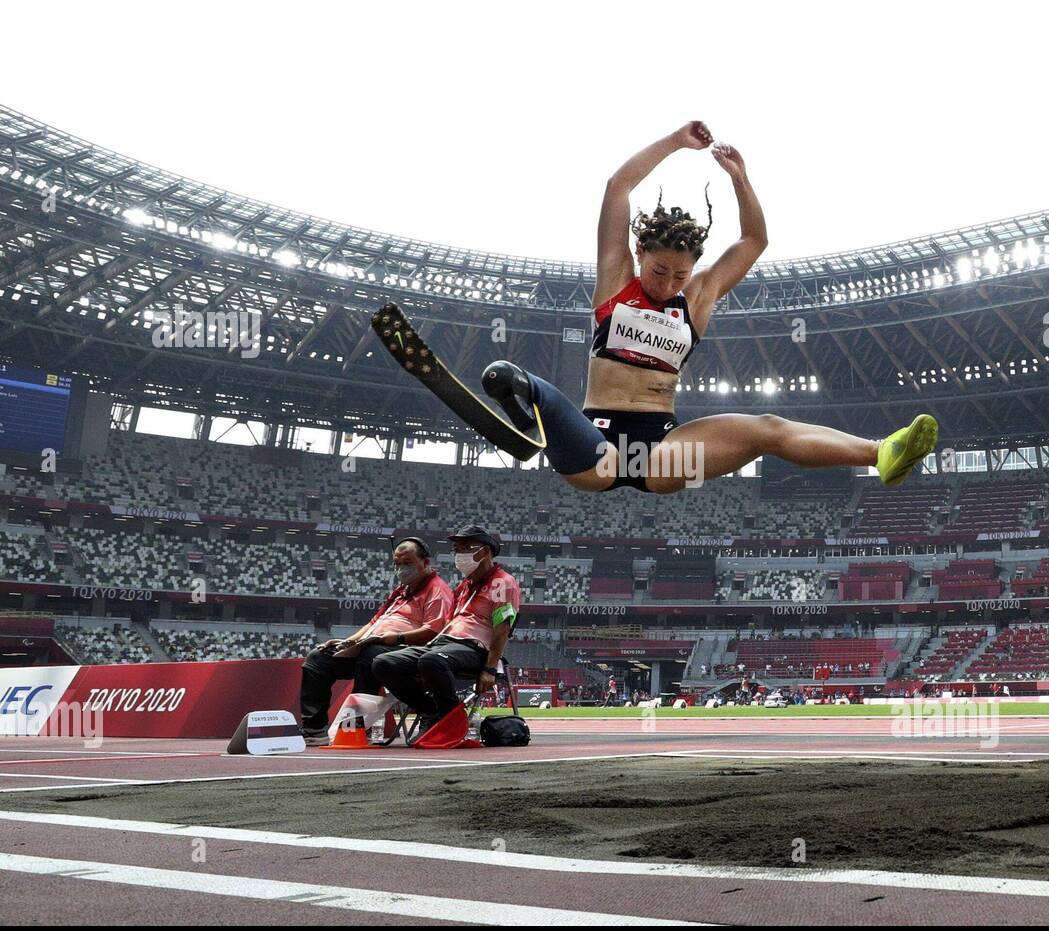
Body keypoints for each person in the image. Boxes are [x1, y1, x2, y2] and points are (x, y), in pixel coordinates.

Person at [480, 120, 937, 495]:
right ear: (640, 253)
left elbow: (754, 240)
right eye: (659, 271)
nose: (667, 283)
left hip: (661, 453)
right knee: (517, 378)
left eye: (679, 275)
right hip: (595, 445)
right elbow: (618, 186)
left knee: (768, 427)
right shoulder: (616, 282)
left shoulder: (695, 298)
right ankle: (523, 397)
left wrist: (740, 179)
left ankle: (883, 453)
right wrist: (676, 142)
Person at [299, 537, 453, 745]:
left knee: (369, 656)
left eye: (407, 563)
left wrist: (394, 638)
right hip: (371, 645)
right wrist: (347, 642)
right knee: (317, 659)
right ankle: (314, 730)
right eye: (397, 564)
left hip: (404, 653)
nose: (401, 569)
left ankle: (356, 727)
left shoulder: (437, 589)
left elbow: (433, 630)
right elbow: (373, 623)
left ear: (425, 563)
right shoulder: (400, 592)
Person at [372, 525, 520, 734]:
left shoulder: (502, 584)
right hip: (442, 645)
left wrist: (489, 669)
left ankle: (450, 717)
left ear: (485, 551)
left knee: (431, 660)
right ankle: (430, 710)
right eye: (457, 549)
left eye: (466, 548)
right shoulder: (464, 586)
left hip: (475, 649)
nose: (460, 554)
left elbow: (502, 629)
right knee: (383, 662)